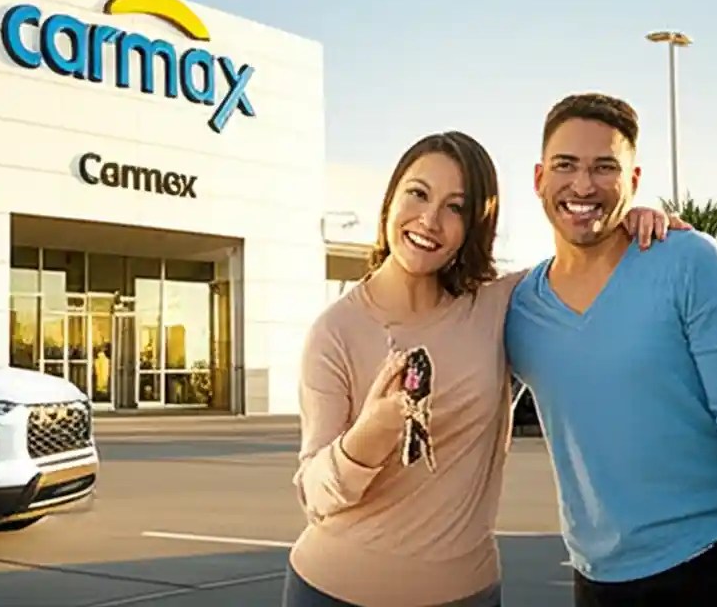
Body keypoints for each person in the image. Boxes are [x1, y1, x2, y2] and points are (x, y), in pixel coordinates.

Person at [285, 129, 683, 607]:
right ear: (391, 199)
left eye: (455, 207)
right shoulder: (334, 331)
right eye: (418, 193)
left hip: (466, 594)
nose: (430, 220)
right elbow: (315, 496)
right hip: (332, 592)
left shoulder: (502, 304)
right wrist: (368, 436)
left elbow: (582, 265)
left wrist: (629, 225)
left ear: (475, 225)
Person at [504, 92, 717, 606]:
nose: (583, 185)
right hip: (597, 579)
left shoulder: (689, 262)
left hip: (709, 560)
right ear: (539, 178)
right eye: (566, 165)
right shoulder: (516, 309)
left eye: (605, 167)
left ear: (634, 182)